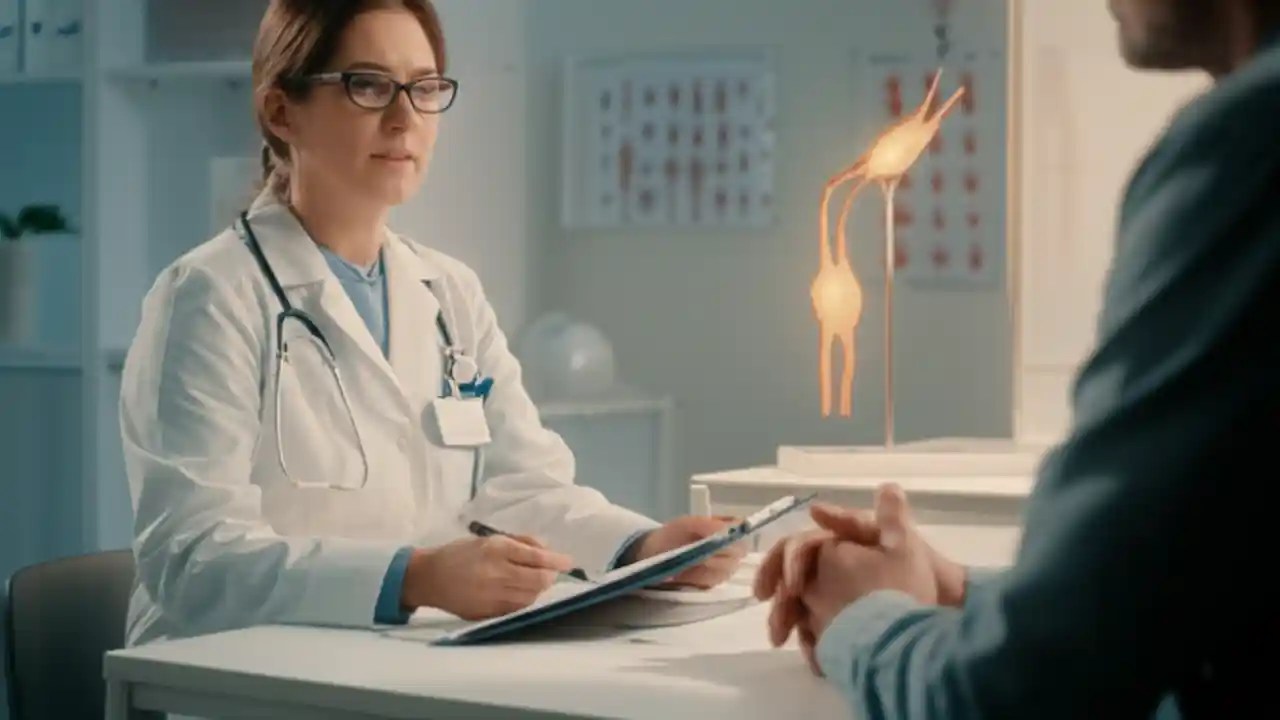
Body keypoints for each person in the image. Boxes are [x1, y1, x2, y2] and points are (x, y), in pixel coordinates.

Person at [118, 0, 744, 648]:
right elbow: (193, 559)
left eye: (424, 88)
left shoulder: (448, 291)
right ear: (281, 111)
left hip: (396, 657)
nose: (404, 118)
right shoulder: (209, 296)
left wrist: (645, 547)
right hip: (222, 673)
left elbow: (521, 483)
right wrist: (412, 578)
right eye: (367, 85)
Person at [754, 0, 1280, 717]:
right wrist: (963, 590)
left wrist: (867, 618)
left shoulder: (1244, 145)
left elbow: (1019, 692)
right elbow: (1191, 600)